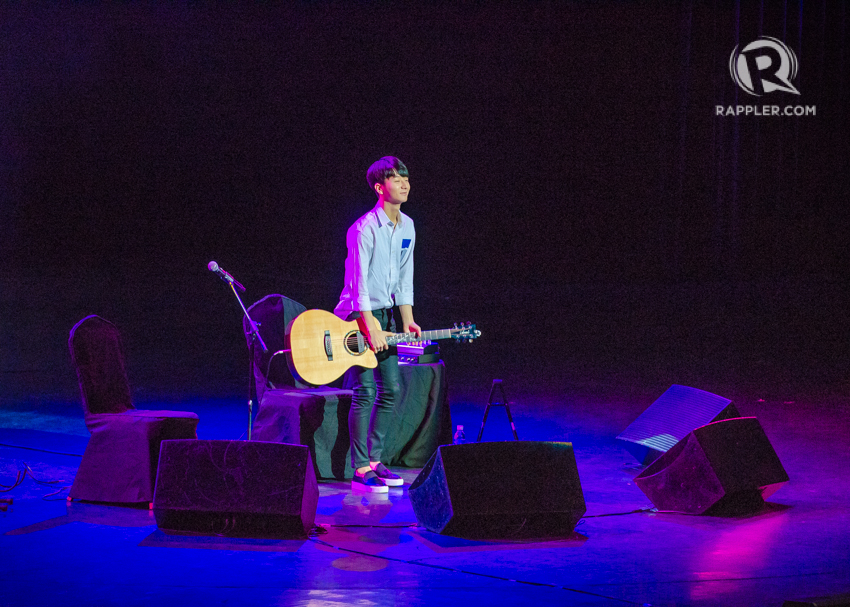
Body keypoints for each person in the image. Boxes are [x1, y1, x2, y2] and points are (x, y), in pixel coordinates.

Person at [334, 156, 421, 493]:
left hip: (386, 315)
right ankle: (359, 467)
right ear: (379, 187)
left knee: (393, 389)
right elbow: (359, 286)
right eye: (396, 178)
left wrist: (408, 320)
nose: (404, 183)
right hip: (357, 315)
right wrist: (369, 325)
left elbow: (404, 277)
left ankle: (375, 460)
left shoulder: (409, 226)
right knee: (366, 390)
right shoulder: (363, 228)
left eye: (406, 178)